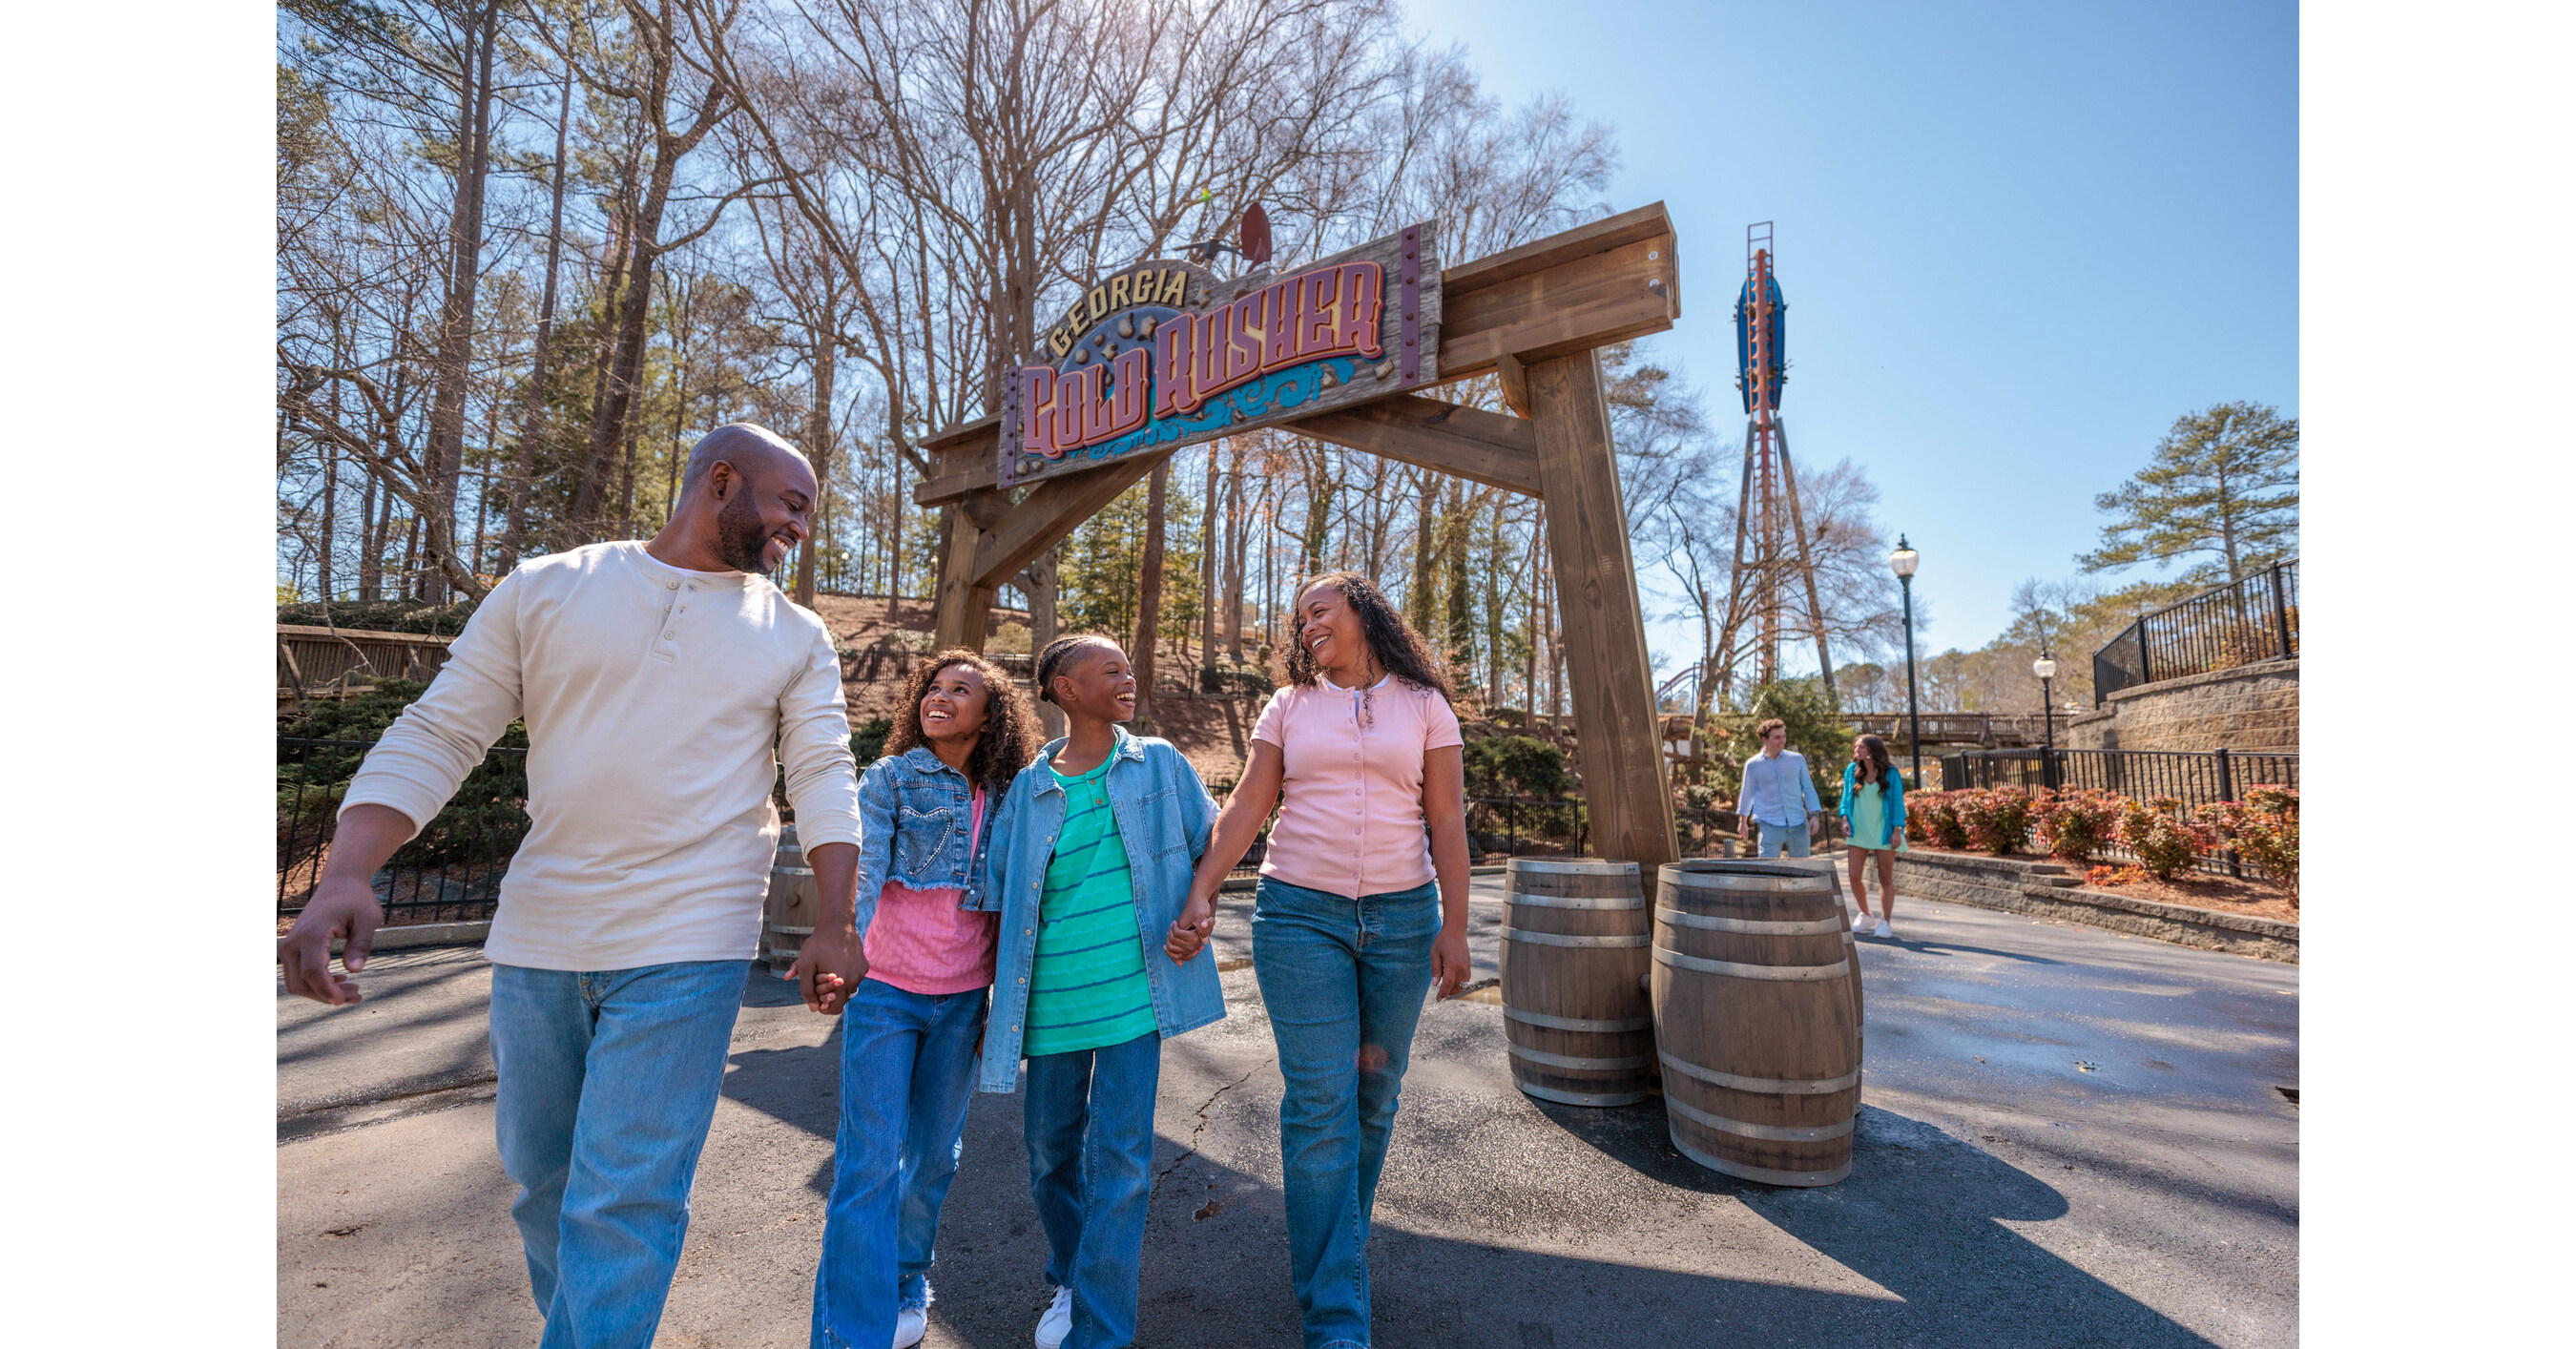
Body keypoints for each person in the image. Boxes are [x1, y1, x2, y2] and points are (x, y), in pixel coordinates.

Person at [277, 423, 863, 1349]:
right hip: (540, 936)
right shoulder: (551, 586)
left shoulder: (795, 636)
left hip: (690, 940)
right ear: (720, 481)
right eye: (792, 501)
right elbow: (443, 730)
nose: (802, 525)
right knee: (546, 1183)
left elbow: (824, 773)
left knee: (626, 1195)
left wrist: (835, 917)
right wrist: (348, 869)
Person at [1174, 571, 1472, 1349]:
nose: (1306, 625)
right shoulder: (1289, 706)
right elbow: (1247, 805)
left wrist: (1457, 926)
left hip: (1406, 923)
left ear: (1363, 613)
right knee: (1320, 1102)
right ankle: (1336, 1315)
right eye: (1298, 616)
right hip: (1299, 917)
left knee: (1376, 1096)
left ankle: (1335, 1250)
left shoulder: (1427, 707)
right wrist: (1204, 889)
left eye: (1319, 610)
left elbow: (1446, 820)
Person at [978, 634, 1225, 1349]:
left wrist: (1198, 909)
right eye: (1110, 668)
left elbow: (1212, 845)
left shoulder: (1162, 765)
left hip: (1134, 998)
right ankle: (1072, 1274)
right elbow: (996, 892)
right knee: (1050, 1153)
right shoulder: (1028, 789)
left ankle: (1101, 1329)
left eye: (1128, 665)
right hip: (1050, 998)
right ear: (1064, 686)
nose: (1128, 676)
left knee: (1121, 1162)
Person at [804, 651, 1043, 1349]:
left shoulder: (1012, 794)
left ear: (990, 713)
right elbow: (867, 865)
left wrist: (1003, 1001)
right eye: (932, 689)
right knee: (868, 1163)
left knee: (935, 1157)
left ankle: (907, 1278)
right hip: (885, 994)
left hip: (964, 1001)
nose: (939, 698)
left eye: (960, 691)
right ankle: (848, 1334)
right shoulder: (893, 778)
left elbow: (1014, 903)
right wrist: (844, 944)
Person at [1839, 733, 1907, 939]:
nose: (1856, 751)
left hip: (1884, 832)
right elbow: (1845, 799)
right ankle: (1866, 914)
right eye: (1856, 748)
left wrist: (1897, 829)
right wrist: (1844, 819)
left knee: (1885, 877)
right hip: (1858, 830)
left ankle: (1885, 922)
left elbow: (1897, 803)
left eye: (1860, 747)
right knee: (1853, 875)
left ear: (1872, 750)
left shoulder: (1891, 773)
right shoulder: (1852, 771)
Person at [1735, 717, 1823, 859]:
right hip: (1769, 826)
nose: (1782, 741)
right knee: (1767, 872)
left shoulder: (1797, 759)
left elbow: (1808, 788)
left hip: (1799, 825)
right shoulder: (1753, 765)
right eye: (1777, 737)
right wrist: (1743, 822)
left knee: (1802, 872)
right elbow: (1747, 794)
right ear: (1764, 739)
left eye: (1783, 736)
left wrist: (1814, 815)